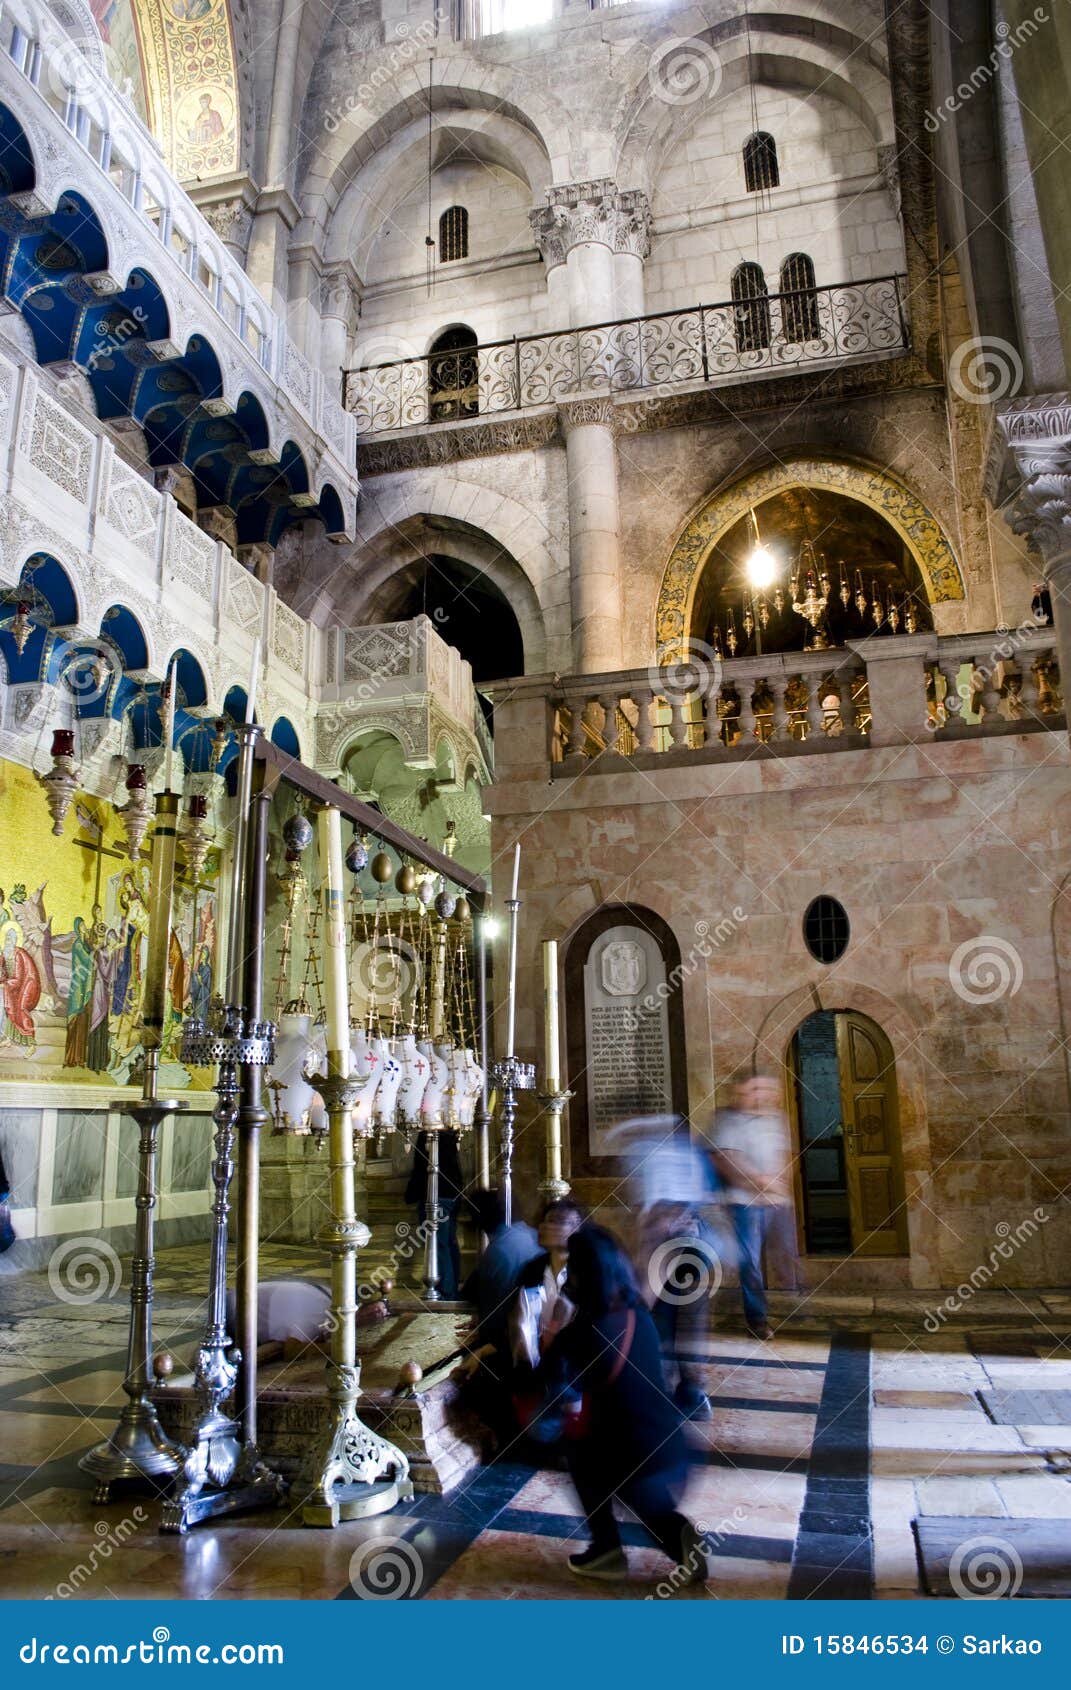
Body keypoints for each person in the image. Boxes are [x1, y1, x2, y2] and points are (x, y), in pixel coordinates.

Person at [538, 1224, 704, 1582]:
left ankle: (607, 1549)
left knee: (577, 1451)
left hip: (631, 1450)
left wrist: (550, 1339)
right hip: (670, 1443)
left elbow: (550, 1381)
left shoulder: (583, 1331)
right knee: (648, 1505)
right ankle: (675, 1539)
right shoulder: (638, 1313)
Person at [709, 1074, 794, 1340]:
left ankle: (793, 1298)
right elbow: (726, 1160)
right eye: (753, 1089)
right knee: (751, 1262)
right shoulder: (727, 1120)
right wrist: (758, 1182)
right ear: (739, 1091)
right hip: (744, 1203)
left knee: (786, 1255)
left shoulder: (774, 1119)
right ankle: (757, 1320)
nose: (759, 1095)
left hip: (775, 1200)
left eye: (764, 1088)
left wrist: (779, 1186)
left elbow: (784, 1157)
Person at [405, 1128, 464, 1299]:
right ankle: (450, 1289)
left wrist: (413, 1192)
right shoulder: (450, 1132)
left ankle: (446, 1292)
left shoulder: (432, 1132)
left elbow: (422, 1166)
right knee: (448, 1243)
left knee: (439, 1245)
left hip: (437, 1195)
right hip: (450, 1193)